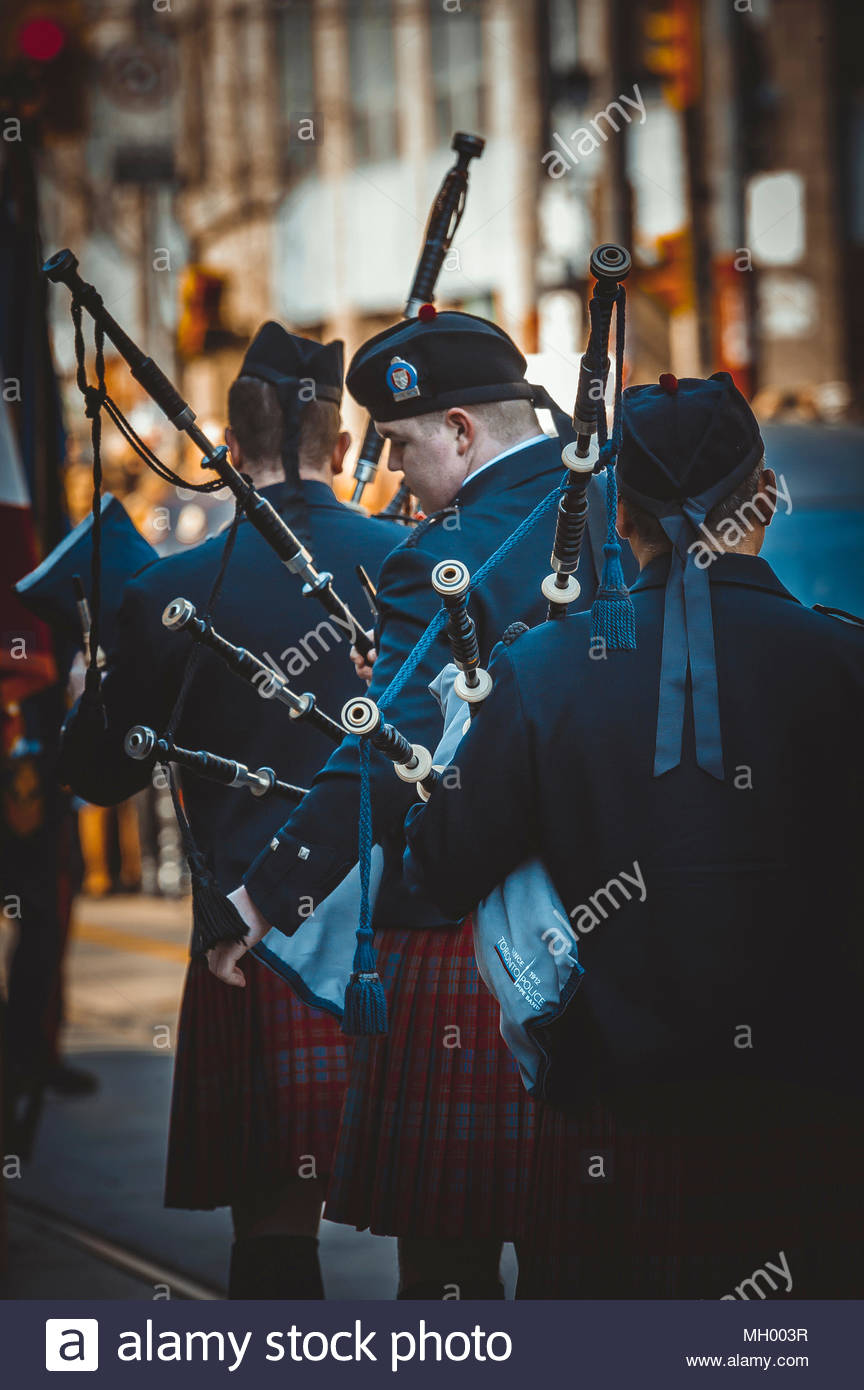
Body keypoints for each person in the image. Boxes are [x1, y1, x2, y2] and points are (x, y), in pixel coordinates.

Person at [404, 371, 864, 1298]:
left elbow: (438, 874)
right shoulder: (846, 664)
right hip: (820, 1144)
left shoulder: (541, 674)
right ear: (764, 497)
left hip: (611, 1142)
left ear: (620, 518)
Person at [209, 309, 624, 1298]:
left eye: (400, 447)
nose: (395, 476)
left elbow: (383, 754)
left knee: (449, 1262)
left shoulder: (434, 553)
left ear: (460, 432)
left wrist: (267, 895)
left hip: (461, 936)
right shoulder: (619, 510)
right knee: (584, 1252)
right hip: (619, 926)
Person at [59, 323, 401, 1298]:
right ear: (341, 449)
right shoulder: (407, 571)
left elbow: (96, 773)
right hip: (394, 945)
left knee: (275, 1230)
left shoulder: (168, 590)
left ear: (224, 438)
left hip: (249, 947)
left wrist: (109, 635)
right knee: (445, 1236)